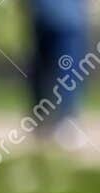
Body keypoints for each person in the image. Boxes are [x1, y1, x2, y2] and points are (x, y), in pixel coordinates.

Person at [26, 0, 90, 149]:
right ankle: (60, 120)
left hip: (52, 14)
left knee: (53, 63)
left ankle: (54, 120)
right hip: (60, 16)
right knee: (64, 63)